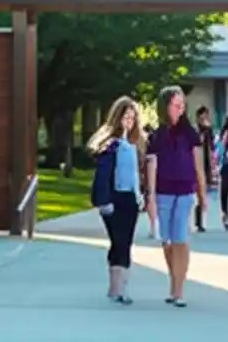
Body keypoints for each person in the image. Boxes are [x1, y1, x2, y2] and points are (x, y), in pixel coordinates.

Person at [145, 85, 208, 307]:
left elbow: (198, 165)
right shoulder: (156, 135)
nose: (180, 109)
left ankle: (179, 290)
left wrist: (203, 192)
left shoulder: (190, 133)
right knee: (166, 240)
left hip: (185, 190)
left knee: (180, 238)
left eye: (182, 105)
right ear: (165, 106)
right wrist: (150, 196)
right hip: (163, 191)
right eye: (175, 104)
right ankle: (174, 280)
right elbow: (151, 166)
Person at [88, 96, 145, 305]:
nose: (129, 122)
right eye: (125, 117)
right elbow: (103, 175)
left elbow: (135, 175)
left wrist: (140, 196)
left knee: (124, 243)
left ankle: (118, 288)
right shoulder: (111, 146)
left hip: (130, 200)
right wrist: (104, 201)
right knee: (119, 242)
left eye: (132, 118)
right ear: (117, 118)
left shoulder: (132, 144)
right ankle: (117, 289)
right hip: (114, 199)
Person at [195, 107, 216, 232]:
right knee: (199, 193)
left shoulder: (208, 130)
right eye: (202, 118)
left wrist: (213, 165)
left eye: (206, 117)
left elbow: (211, 147)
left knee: (203, 193)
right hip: (197, 163)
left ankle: (201, 219)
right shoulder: (195, 130)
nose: (204, 120)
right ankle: (198, 221)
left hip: (205, 163)